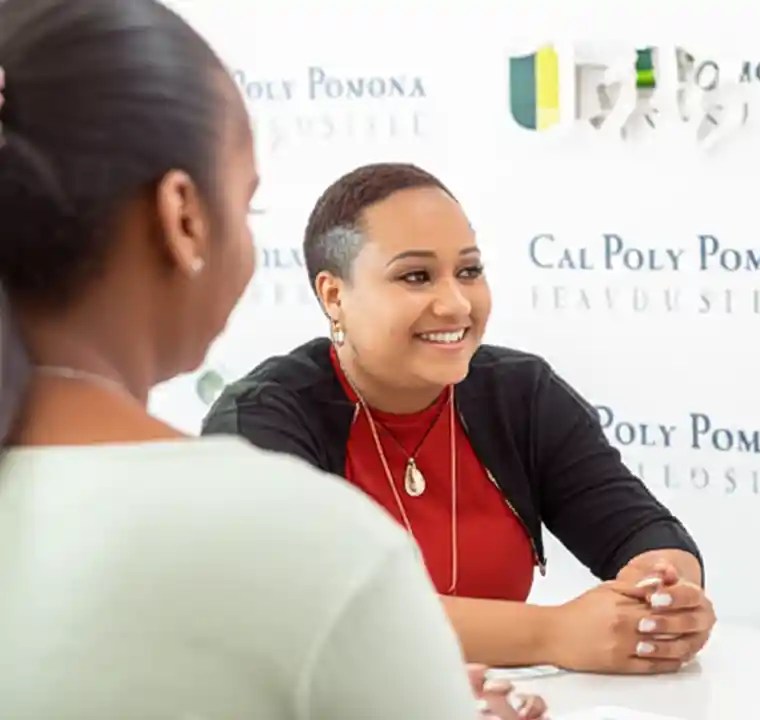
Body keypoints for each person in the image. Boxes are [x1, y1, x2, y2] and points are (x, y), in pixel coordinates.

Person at [0, 1, 543, 717]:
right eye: (246, 204)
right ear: (184, 217)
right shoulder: (310, 540)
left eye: (468, 270)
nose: (452, 303)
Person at [202, 162, 716, 673]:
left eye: (468, 271)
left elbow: (639, 530)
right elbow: (315, 611)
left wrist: (662, 597)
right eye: (415, 276)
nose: (456, 304)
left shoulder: (521, 393)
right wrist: (554, 633)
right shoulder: (261, 420)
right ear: (334, 296)